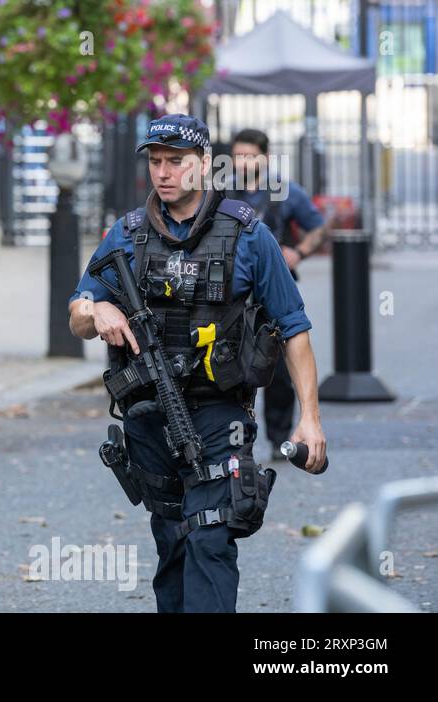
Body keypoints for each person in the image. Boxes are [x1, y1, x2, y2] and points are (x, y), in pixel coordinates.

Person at [68, 114, 327, 613]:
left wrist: (310, 418)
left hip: (218, 410)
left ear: (205, 164)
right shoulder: (126, 234)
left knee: (210, 536)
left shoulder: (249, 235)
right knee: (172, 541)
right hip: (149, 413)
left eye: (176, 161)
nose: (163, 173)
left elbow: (293, 327)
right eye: (156, 162)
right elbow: (77, 313)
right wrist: (95, 308)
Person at [227, 128, 328, 458]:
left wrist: (298, 252)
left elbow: (318, 226)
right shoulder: (223, 191)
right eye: (238, 156)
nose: (242, 162)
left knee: (280, 369)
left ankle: (280, 438)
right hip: (234, 293)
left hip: (271, 291)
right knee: (230, 363)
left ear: (265, 158)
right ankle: (233, 441)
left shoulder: (285, 192)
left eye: (249, 156)